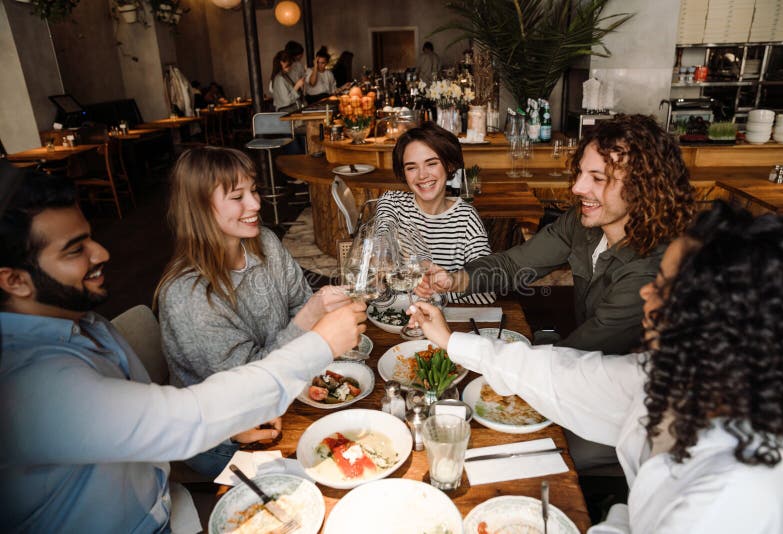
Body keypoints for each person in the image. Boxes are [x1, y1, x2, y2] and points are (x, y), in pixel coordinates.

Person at [0, 171, 367, 532]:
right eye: (75, 249)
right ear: (13, 280)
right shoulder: (28, 382)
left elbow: (151, 422)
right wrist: (319, 343)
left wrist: (230, 423)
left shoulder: (86, 322)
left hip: (168, 503)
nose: (102, 253)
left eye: (90, 238)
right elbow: (188, 418)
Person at [410, 201, 783, 533]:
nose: (648, 290)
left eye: (663, 284)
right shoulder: (677, 378)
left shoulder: (736, 498)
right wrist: (450, 341)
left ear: (715, 318)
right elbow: (565, 372)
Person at [419, 113, 696, 355]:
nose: (577, 188)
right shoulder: (582, 222)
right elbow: (514, 264)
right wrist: (454, 280)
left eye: (598, 178)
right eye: (580, 173)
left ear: (644, 187)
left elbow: (573, 359)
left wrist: (458, 345)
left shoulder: (648, 271)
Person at [155, 147, 351, 475]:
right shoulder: (189, 295)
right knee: (329, 468)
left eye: (254, 190)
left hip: (284, 393)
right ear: (199, 208)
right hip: (227, 435)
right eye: (237, 197)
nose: (256, 204)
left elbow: (299, 300)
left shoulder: (265, 242)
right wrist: (310, 316)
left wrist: (314, 311)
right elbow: (250, 387)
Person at [375, 122, 493, 304]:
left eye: (431, 164)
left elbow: (486, 287)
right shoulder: (392, 202)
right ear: (404, 173)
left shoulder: (466, 217)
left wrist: (448, 283)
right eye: (411, 167)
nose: (422, 175)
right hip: (397, 316)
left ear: (450, 165)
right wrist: (406, 271)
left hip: (446, 319)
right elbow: (380, 249)